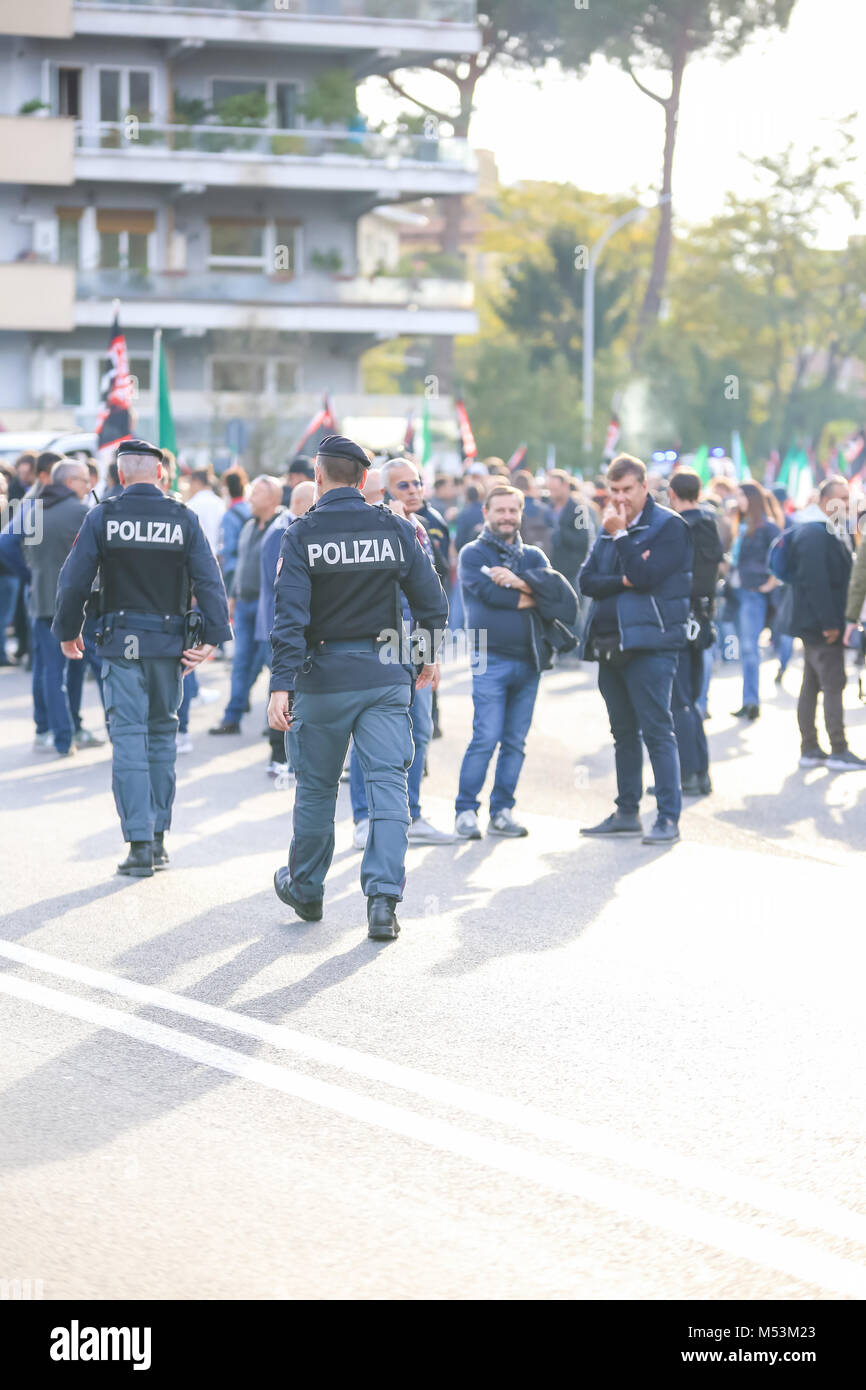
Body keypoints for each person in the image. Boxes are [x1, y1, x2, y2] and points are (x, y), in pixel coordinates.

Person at [267, 434, 448, 942]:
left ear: (318, 478)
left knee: (318, 789)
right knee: (389, 785)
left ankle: (305, 888)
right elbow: (432, 601)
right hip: (387, 674)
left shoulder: (301, 533)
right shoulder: (395, 528)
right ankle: (383, 901)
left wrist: (281, 684)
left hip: (323, 678)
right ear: (365, 479)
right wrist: (428, 653)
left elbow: (289, 619)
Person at [53, 439, 232, 877]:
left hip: (120, 643)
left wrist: (67, 631)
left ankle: (138, 846)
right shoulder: (183, 517)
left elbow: (74, 580)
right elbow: (209, 580)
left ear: (119, 475)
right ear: (160, 474)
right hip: (169, 647)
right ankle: (158, 839)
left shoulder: (104, 516)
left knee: (129, 739)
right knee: (161, 738)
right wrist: (213, 637)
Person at [578, 453, 693, 846]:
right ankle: (627, 812)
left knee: (657, 731)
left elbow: (644, 576)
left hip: (652, 644)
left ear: (645, 487)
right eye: (614, 490)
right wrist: (623, 576)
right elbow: (588, 581)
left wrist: (622, 538)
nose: (621, 497)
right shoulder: (609, 524)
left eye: (628, 489)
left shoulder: (669, 526)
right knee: (623, 733)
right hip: (610, 644)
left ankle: (667, 817)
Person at [455, 484, 578, 839]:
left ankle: (502, 811)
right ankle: (465, 811)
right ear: (487, 513)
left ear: (521, 513)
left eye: (513, 510)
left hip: (530, 660)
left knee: (515, 742)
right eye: (501, 510)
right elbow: (495, 597)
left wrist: (519, 582)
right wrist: (533, 592)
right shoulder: (472, 555)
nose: (507, 516)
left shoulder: (535, 558)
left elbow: (559, 603)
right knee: (485, 737)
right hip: (487, 656)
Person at [349, 456, 455, 847]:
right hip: (379, 642)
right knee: (370, 734)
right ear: (381, 495)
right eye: (403, 486)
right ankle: (365, 817)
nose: (413, 491)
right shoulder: (373, 531)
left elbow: (433, 594)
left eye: (416, 483)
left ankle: (411, 814)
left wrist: (433, 651)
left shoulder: (423, 528)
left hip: (416, 640)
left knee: (420, 730)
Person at [784, 476, 864, 769]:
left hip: (815, 622)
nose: (845, 503)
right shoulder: (815, 533)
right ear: (824, 501)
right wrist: (830, 624)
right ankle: (838, 750)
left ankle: (811, 748)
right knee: (832, 683)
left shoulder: (826, 529)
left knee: (812, 683)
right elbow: (815, 583)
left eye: (847, 498)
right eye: (840, 498)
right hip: (820, 625)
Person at [21, 459, 94, 755]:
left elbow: (14, 546)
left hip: (40, 598)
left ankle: (49, 731)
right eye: (84, 481)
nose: (89, 487)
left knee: (48, 670)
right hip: (74, 602)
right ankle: (68, 734)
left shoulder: (34, 509)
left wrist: (33, 575)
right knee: (72, 668)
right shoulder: (82, 513)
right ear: (69, 481)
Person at [210, 476, 285, 736]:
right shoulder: (248, 526)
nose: (250, 498)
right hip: (244, 604)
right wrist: (232, 597)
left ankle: (274, 722)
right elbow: (240, 566)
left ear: (273, 499)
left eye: (257, 494)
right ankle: (232, 716)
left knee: (271, 663)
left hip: (269, 609)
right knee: (241, 663)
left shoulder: (283, 528)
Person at [668, 469, 724, 796]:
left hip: (678, 617)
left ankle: (689, 774)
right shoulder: (710, 524)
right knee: (691, 699)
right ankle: (700, 773)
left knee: (680, 701)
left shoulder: (676, 527)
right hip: (701, 619)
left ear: (673, 494)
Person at [256, 479, 315, 776]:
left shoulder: (287, 529)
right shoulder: (284, 533)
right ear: (303, 504)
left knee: (290, 693)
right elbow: (281, 587)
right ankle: (279, 757)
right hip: (282, 627)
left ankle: (286, 757)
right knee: (283, 692)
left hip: (285, 626)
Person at [728, 482, 783, 720]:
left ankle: (751, 701)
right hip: (737, 592)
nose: (738, 499)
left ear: (752, 498)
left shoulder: (767, 527)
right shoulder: (741, 525)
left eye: (741, 495)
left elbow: (781, 558)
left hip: (753, 592)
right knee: (744, 648)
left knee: (750, 648)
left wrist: (770, 582)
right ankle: (748, 700)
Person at [217, 467, 251, 597]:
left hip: (233, 569)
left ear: (227, 489)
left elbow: (229, 546)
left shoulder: (229, 515)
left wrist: (218, 554)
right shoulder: (250, 509)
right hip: (249, 569)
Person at [186, 467, 225, 553]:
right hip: (218, 556)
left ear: (196, 482)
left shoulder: (191, 504)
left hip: (197, 555)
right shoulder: (220, 503)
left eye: (190, 483)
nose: (190, 487)